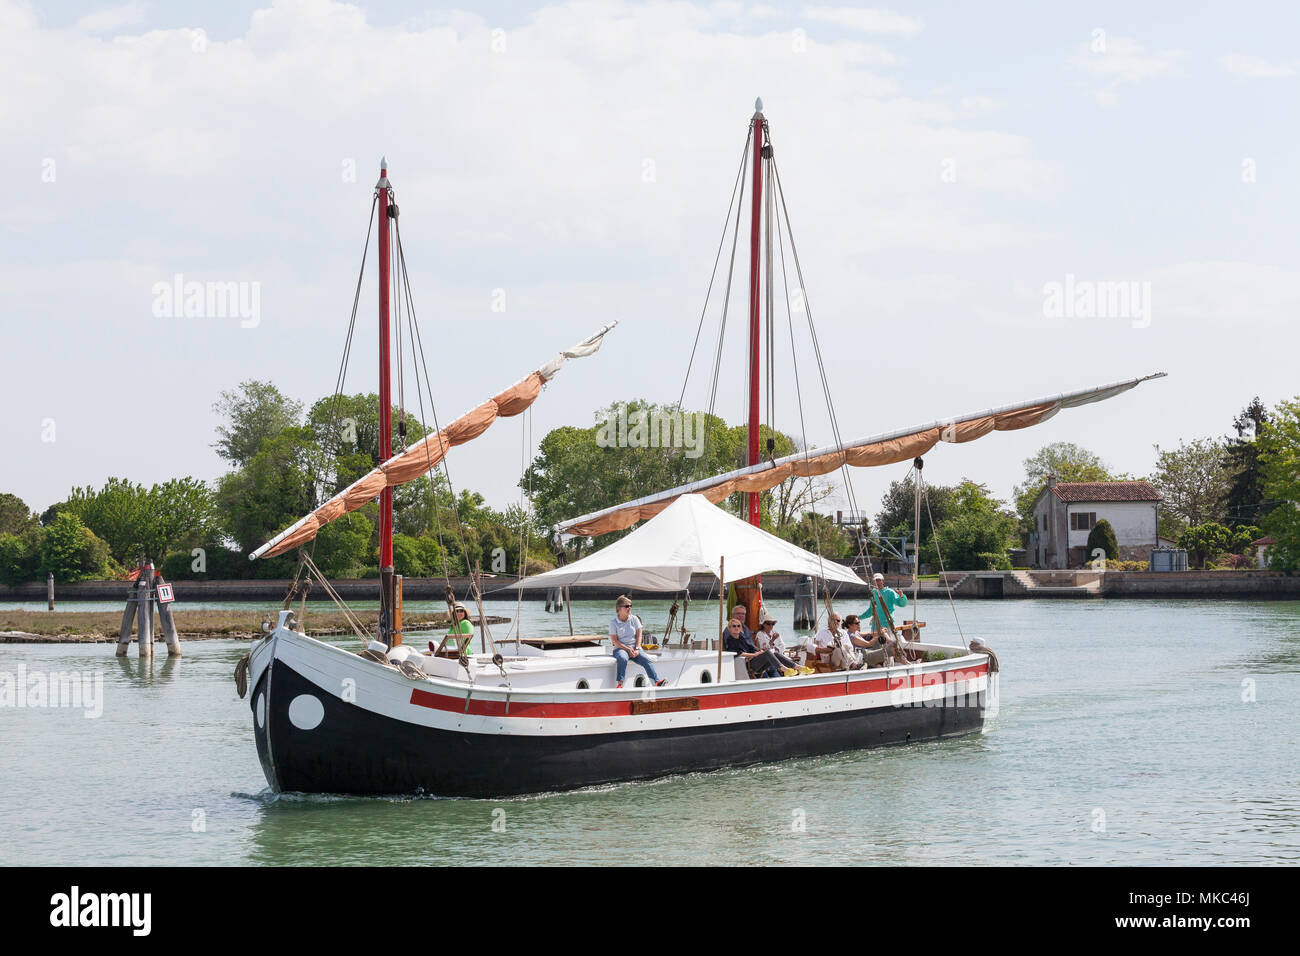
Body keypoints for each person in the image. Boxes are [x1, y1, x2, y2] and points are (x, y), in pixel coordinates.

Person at [609, 596, 667, 689]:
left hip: (635, 647)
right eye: (627, 606)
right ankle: (620, 684)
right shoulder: (613, 622)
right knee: (623, 658)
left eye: (630, 606)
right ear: (619, 608)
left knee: (646, 659)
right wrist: (628, 649)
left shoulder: (634, 619)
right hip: (620, 648)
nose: (630, 608)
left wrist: (636, 648)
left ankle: (656, 682)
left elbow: (639, 636)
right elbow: (614, 641)